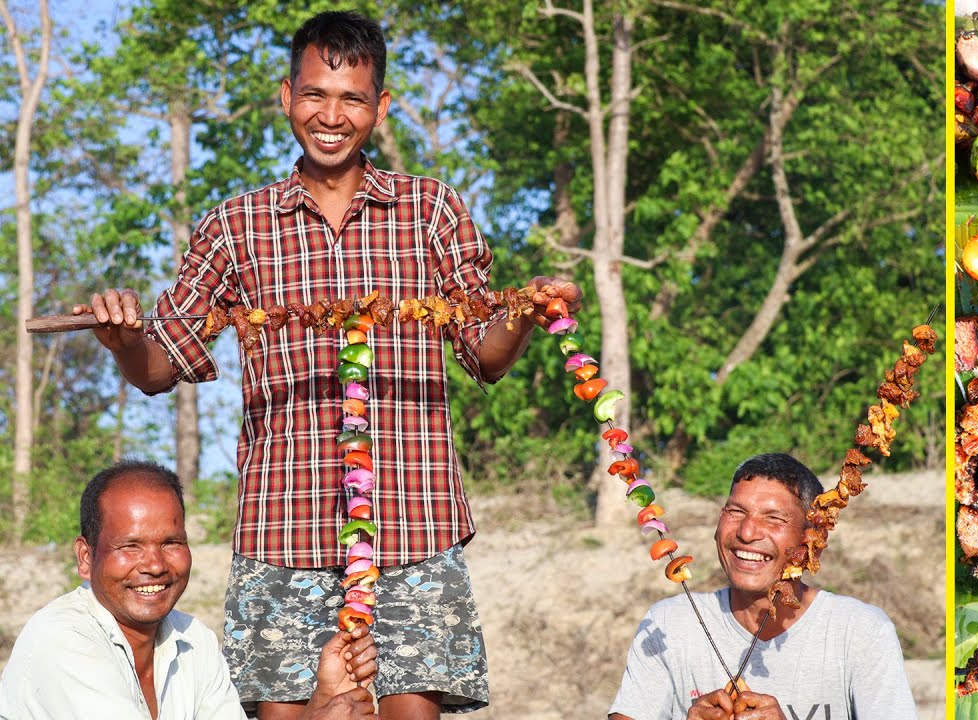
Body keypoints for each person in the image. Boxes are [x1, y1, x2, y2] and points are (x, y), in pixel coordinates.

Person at [72, 10, 582, 719]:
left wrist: (526, 312)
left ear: (381, 106)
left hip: (416, 524)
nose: (331, 115)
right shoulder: (235, 226)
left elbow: (483, 354)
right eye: (314, 94)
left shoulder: (430, 211)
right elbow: (161, 366)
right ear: (287, 96)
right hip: (283, 528)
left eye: (351, 98)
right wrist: (124, 337)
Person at [0, 459, 377, 719]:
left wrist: (323, 700)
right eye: (130, 546)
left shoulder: (193, 639)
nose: (154, 564)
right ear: (86, 557)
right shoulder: (63, 638)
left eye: (170, 542)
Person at [608, 453, 918, 720]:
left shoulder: (860, 632)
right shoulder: (668, 625)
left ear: (811, 542)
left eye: (773, 518)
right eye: (736, 511)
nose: (747, 532)